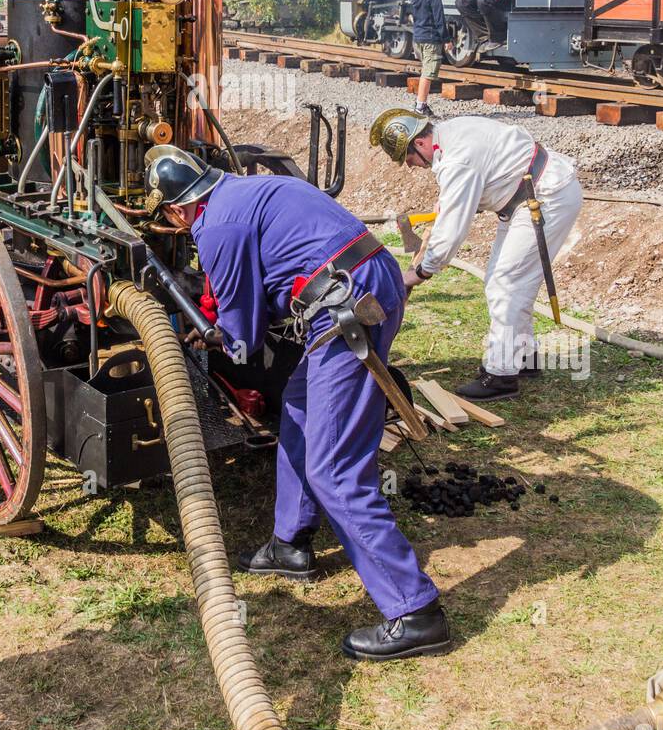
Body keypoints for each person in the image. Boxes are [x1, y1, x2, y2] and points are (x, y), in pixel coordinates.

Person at [144, 144, 451, 662]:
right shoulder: (248, 190)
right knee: (299, 410)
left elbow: (242, 331)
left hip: (344, 308)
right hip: (372, 280)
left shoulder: (215, 225)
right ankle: (291, 543)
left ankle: (415, 611)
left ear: (176, 209)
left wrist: (214, 341)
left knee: (334, 470)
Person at [370, 109, 583, 401]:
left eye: (408, 159)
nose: (410, 167)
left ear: (419, 143)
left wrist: (420, 273)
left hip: (546, 196)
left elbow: (453, 230)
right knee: (500, 280)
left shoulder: (458, 159)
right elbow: (451, 203)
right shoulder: (450, 134)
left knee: (506, 284)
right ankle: (523, 357)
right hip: (527, 194)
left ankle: (500, 376)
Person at [410, 0, 447, 118]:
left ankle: (421, 104)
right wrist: (446, 39)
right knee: (427, 74)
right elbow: (439, 17)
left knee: (425, 71)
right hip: (431, 39)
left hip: (417, 38)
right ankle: (420, 107)